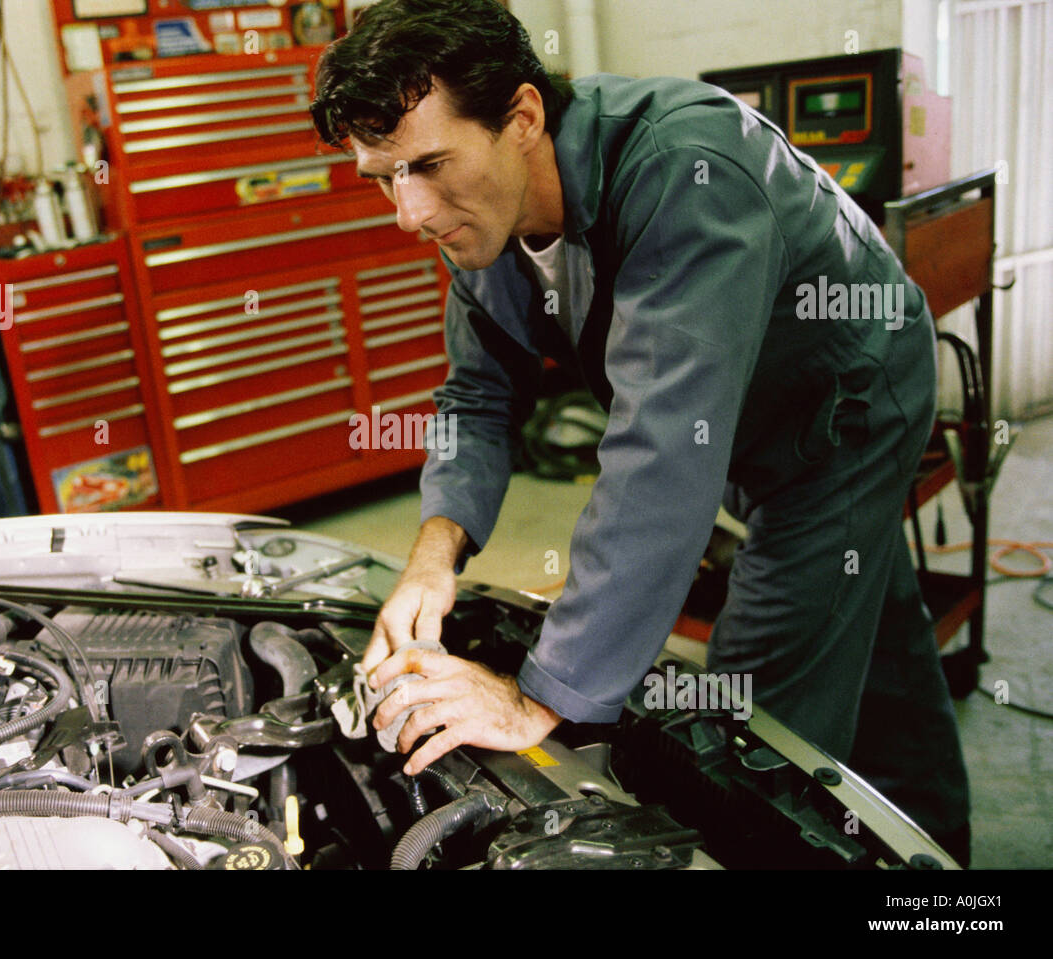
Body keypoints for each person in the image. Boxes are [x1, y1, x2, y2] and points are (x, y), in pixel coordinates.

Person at [310, 0, 970, 863]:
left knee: (754, 723)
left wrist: (540, 697)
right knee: (863, 623)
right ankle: (944, 869)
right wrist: (434, 556)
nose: (409, 211)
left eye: (429, 165)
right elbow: (478, 392)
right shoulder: (484, 214)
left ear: (522, 118)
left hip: (845, 407)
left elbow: (664, 450)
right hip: (753, 414)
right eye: (384, 177)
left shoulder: (684, 170)